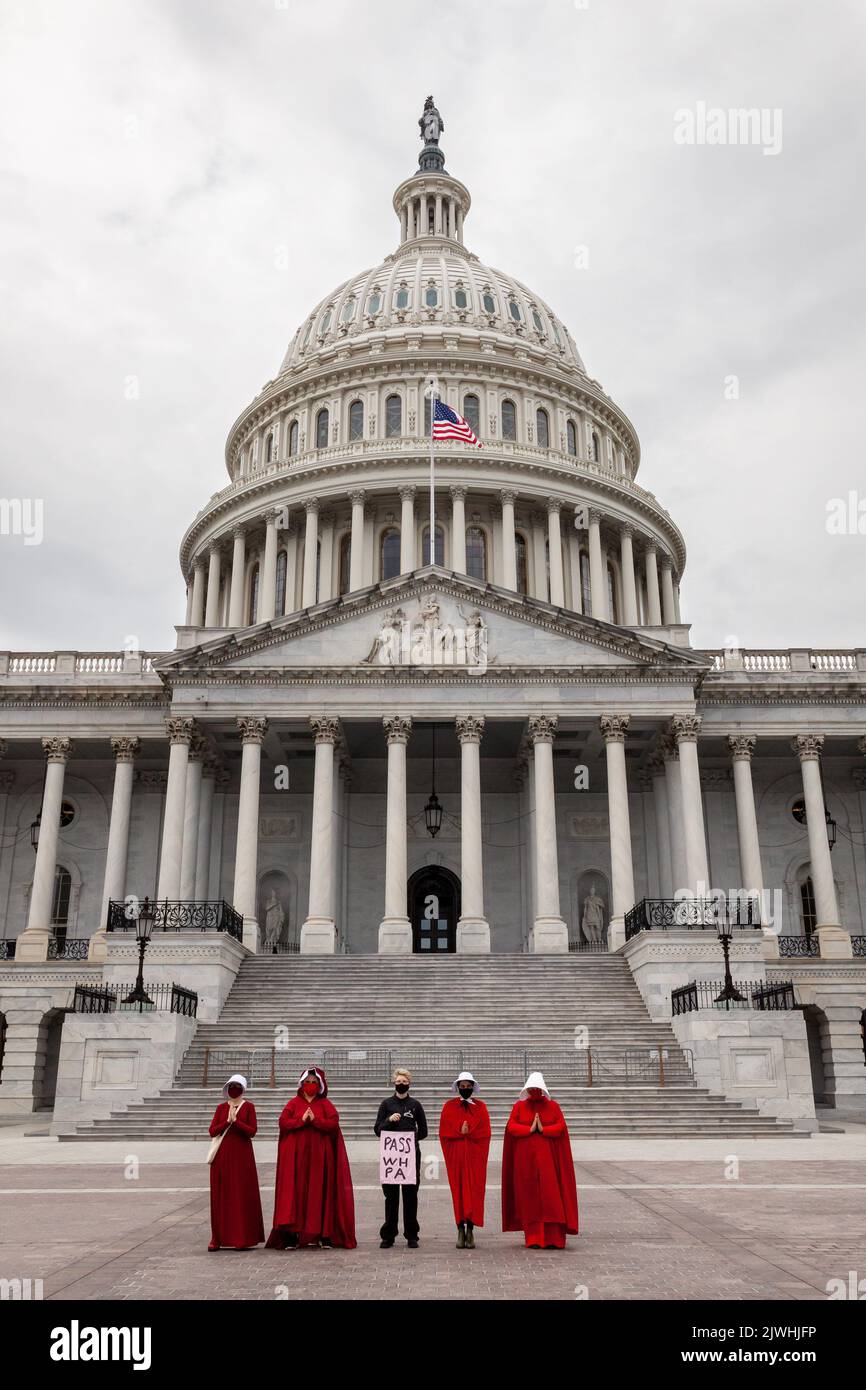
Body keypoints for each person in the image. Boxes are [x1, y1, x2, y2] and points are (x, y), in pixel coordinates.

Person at [266, 1065, 356, 1250]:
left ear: (320, 1084)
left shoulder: (325, 1104)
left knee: (320, 1192)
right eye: (307, 1082)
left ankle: (323, 1234)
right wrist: (301, 1121)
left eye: (314, 1082)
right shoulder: (293, 1103)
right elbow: (283, 1122)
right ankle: (292, 1234)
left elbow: (333, 1124)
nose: (310, 1085)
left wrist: (315, 1120)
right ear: (301, 1083)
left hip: (320, 1159)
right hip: (296, 1159)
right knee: (295, 1194)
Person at [502, 1071, 579, 1250]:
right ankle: (534, 1237)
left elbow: (560, 1126)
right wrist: (530, 1129)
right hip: (526, 1162)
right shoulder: (519, 1106)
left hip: (549, 1163)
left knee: (551, 1198)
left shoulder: (553, 1106)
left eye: (537, 1088)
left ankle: (554, 1238)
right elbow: (511, 1126)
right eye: (532, 1088)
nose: (534, 1091)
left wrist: (544, 1129)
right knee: (530, 1199)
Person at [207, 1073, 264, 1251]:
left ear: (243, 1089)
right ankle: (218, 1237)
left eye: (237, 1086)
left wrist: (237, 1122)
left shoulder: (249, 1107)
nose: (234, 1089)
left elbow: (252, 1131)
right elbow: (212, 1130)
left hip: (242, 1157)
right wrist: (226, 1122)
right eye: (231, 1086)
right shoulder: (221, 1108)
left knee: (240, 1195)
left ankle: (242, 1237)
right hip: (222, 1157)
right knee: (221, 1196)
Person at [374, 1067, 428, 1249]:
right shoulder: (386, 1104)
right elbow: (377, 1130)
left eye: (404, 1082)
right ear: (394, 1083)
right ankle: (388, 1235)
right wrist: (389, 1121)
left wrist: (409, 1140)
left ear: (409, 1083)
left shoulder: (415, 1105)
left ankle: (412, 1234)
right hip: (391, 1157)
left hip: (409, 1156)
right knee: (391, 1196)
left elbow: (424, 1131)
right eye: (398, 1082)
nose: (401, 1085)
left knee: (410, 1195)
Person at [438, 1071, 491, 1249]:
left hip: (475, 1157)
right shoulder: (449, 1106)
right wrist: (460, 1133)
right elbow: (444, 1132)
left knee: (474, 1191)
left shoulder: (481, 1107)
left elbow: (485, 1133)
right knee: (459, 1191)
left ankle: (471, 1230)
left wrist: (470, 1133)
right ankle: (460, 1228)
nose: (465, 1089)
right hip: (457, 1156)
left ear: (473, 1088)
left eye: (468, 1086)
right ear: (458, 1087)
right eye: (463, 1086)